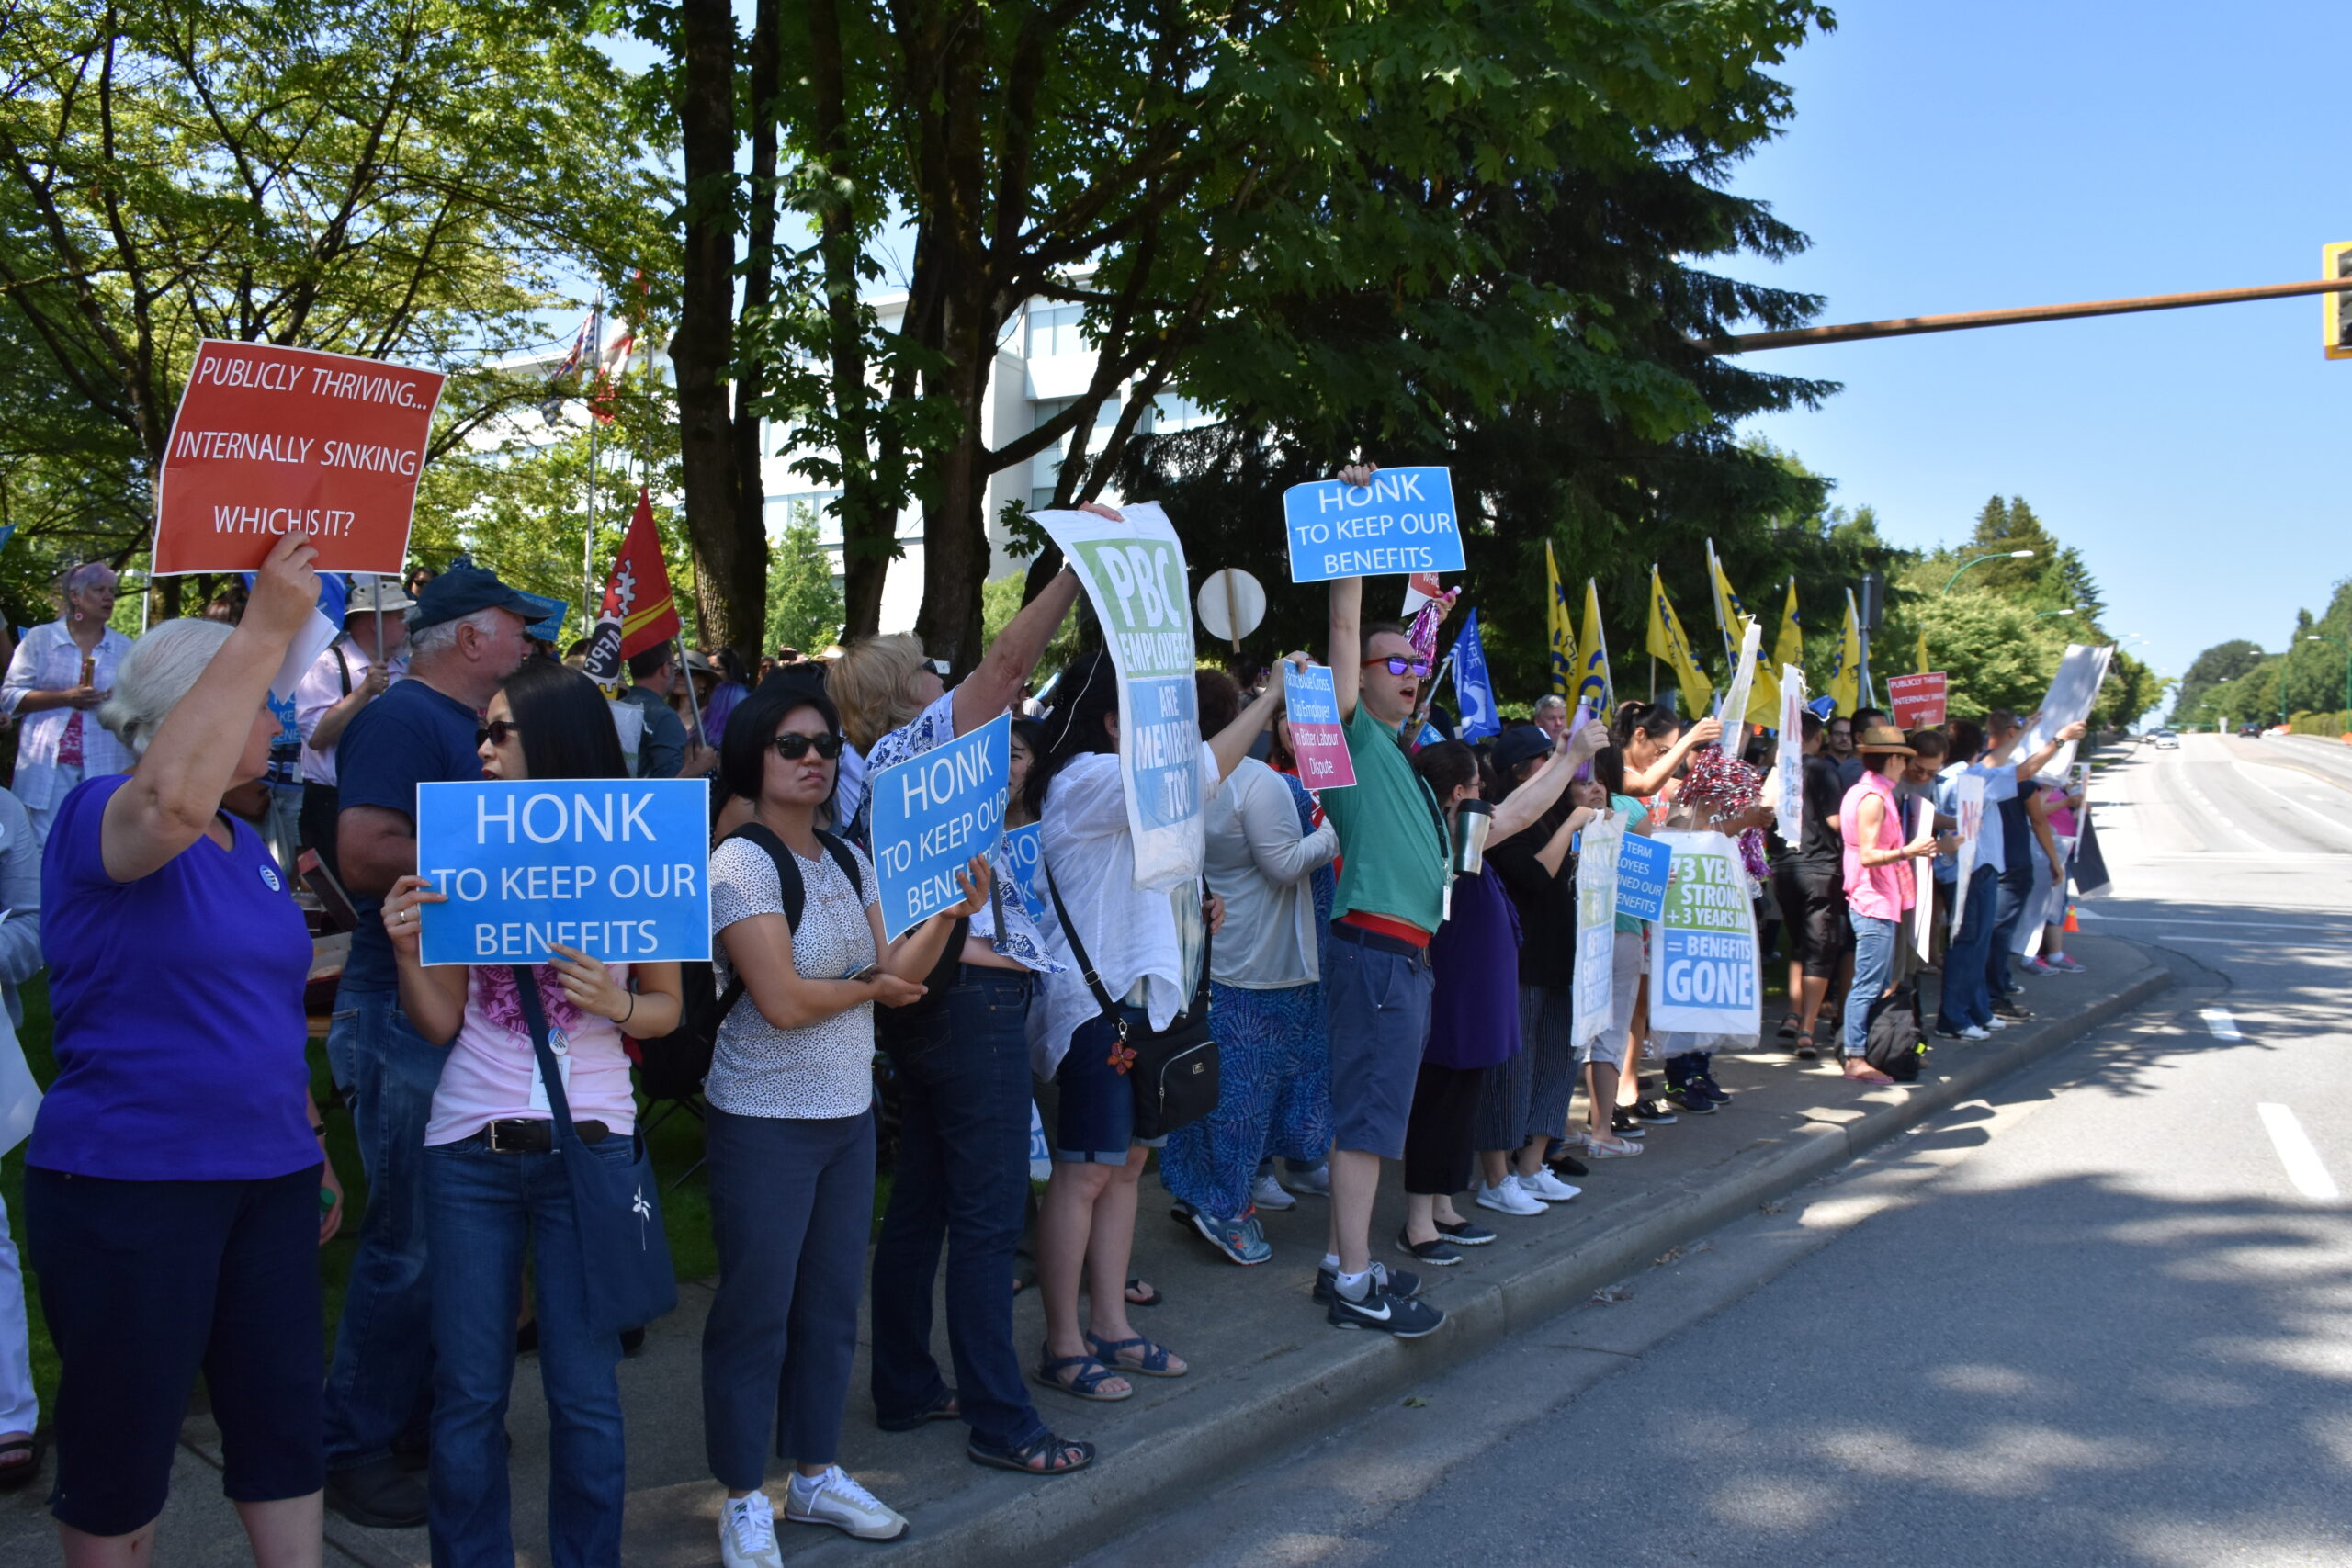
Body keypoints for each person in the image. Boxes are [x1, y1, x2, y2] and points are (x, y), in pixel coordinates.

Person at [25, 536, 345, 1567]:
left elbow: (263, 1012)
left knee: (281, 1422)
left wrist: (310, 1139)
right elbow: (165, 803)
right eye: (259, 698)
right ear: (197, 704)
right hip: (133, 1183)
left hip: (269, 1176)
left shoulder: (245, 847)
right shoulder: (98, 817)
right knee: (123, 1445)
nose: (279, 718)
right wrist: (260, 628)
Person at [375, 658, 684, 1568]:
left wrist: (617, 1003)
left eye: (500, 731)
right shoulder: (460, 845)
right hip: (469, 1149)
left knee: (583, 1390)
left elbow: (666, 1008)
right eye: (483, 730)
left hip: (588, 1147)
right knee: (467, 1391)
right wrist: (405, 951)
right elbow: (438, 1020)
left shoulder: (639, 850)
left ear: (554, 738)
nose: (482, 747)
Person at [701, 682, 983, 1566]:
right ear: (754, 755)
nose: (814, 758)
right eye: (792, 745)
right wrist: (871, 987)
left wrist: (947, 913)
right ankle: (744, 1493)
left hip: (845, 1113)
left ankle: (815, 1472)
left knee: (828, 1306)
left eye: (824, 744)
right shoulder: (737, 866)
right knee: (756, 1310)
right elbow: (782, 1001)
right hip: (762, 1118)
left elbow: (892, 968)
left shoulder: (849, 861)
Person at [858, 559, 1098, 1479]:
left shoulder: (885, 771)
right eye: (925, 665)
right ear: (903, 695)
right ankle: (1002, 1418)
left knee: (921, 1204)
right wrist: (1076, 570)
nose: (940, 674)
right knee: (990, 1217)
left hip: (932, 1004)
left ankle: (908, 1384)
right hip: (976, 1003)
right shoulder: (924, 745)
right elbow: (1006, 663)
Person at [323, 558, 540, 1529]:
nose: (529, 639)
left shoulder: (463, 724)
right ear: (465, 637)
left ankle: (419, 1421)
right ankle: (353, 1447)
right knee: (407, 1241)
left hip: (453, 998)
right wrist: (506, 850)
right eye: (515, 623)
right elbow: (363, 851)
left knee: (445, 1234)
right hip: (400, 997)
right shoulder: (401, 718)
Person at [1023, 648, 1289, 1398]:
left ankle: (1111, 1326)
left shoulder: (1118, 782)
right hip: (1095, 1012)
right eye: (1154, 721)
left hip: (1147, 1007)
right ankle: (1064, 1342)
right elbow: (1195, 776)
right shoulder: (1085, 779)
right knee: (1084, 1175)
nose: (1171, 736)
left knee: (1127, 1169)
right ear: (1111, 722)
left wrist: (1192, 905)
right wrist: (1266, 703)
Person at [1312, 485, 1456, 1337]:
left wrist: (1421, 603)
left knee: (1370, 1120)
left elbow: (1407, 653)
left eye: (1414, 666)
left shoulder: (1401, 749)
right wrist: (1349, 547)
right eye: (1392, 666)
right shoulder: (1351, 735)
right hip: (1374, 953)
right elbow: (1343, 639)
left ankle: (1343, 1259)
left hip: (1400, 957)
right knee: (1363, 1123)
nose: (1409, 675)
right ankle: (1356, 1281)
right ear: (1358, 681)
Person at [1161, 671, 1339, 1267]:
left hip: (1208, 953)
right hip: (1264, 961)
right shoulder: (1255, 780)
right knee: (1246, 1099)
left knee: (1210, 1089)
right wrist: (1335, 832)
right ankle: (1227, 1207)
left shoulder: (1177, 774)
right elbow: (1286, 863)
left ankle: (1200, 1191)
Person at [1472, 724, 1607, 1222]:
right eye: (1545, 759)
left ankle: (1531, 1165)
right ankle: (1496, 1177)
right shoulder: (1506, 819)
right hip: (1519, 960)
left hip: (1565, 958)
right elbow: (1531, 877)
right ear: (1519, 770)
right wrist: (1572, 825)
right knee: (1511, 1070)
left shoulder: (1554, 816)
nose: (1556, 765)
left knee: (1558, 1062)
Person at [3, 561, 133, 846]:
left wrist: (117, 700)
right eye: (99, 590)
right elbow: (10, 696)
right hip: (48, 762)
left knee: (95, 843)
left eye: (112, 591)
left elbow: (137, 708)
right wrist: (64, 698)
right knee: (45, 845)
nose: (109, 597)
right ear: (75, 596)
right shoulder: (42, 639)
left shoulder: (126, 647)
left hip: (104, 761)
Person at [1837, 726, 1939, 1084]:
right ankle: (1855, 1057)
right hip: (1873, 901)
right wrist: (1908, 851)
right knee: (1868, 984)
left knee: (1877, 983)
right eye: (1905, 759)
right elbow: (1867, 855)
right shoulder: (1874, 798)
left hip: (1876, 899)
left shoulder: (1868, 792)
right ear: (1893, 758)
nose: (1906, 767)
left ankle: (1871, 1049)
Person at [293, 581, 413, 886]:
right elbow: (317, 737)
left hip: (389, 803)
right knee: (343, 901)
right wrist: (364, 693)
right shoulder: (327, 666)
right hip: (332, 806)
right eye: (399, 616)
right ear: (374, 622)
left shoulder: (403, 670)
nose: (407, 624)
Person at [1771, 712, 1846, 1059]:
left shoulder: (1775, 770)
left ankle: (1792, 1013)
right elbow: (1835, 820)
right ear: (1817, 738)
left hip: (1784, 868)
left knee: (1800, 944)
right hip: (1820, 867)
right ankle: (1807, 1029)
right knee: (1820, 949)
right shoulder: (1821, 769)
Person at [617, 646, 694, 779]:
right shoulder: (664, 717)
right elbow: (669, 781)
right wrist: (700, 766)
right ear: (665, 669)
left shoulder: (618, 706)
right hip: (644, 798)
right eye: (675, 669)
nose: (676, 675)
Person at [1837, 706, 1888, 791]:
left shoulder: (1865, 767)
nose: (1887, 738)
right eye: (1881, 733)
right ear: (1860, 737)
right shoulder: (1855, 772)